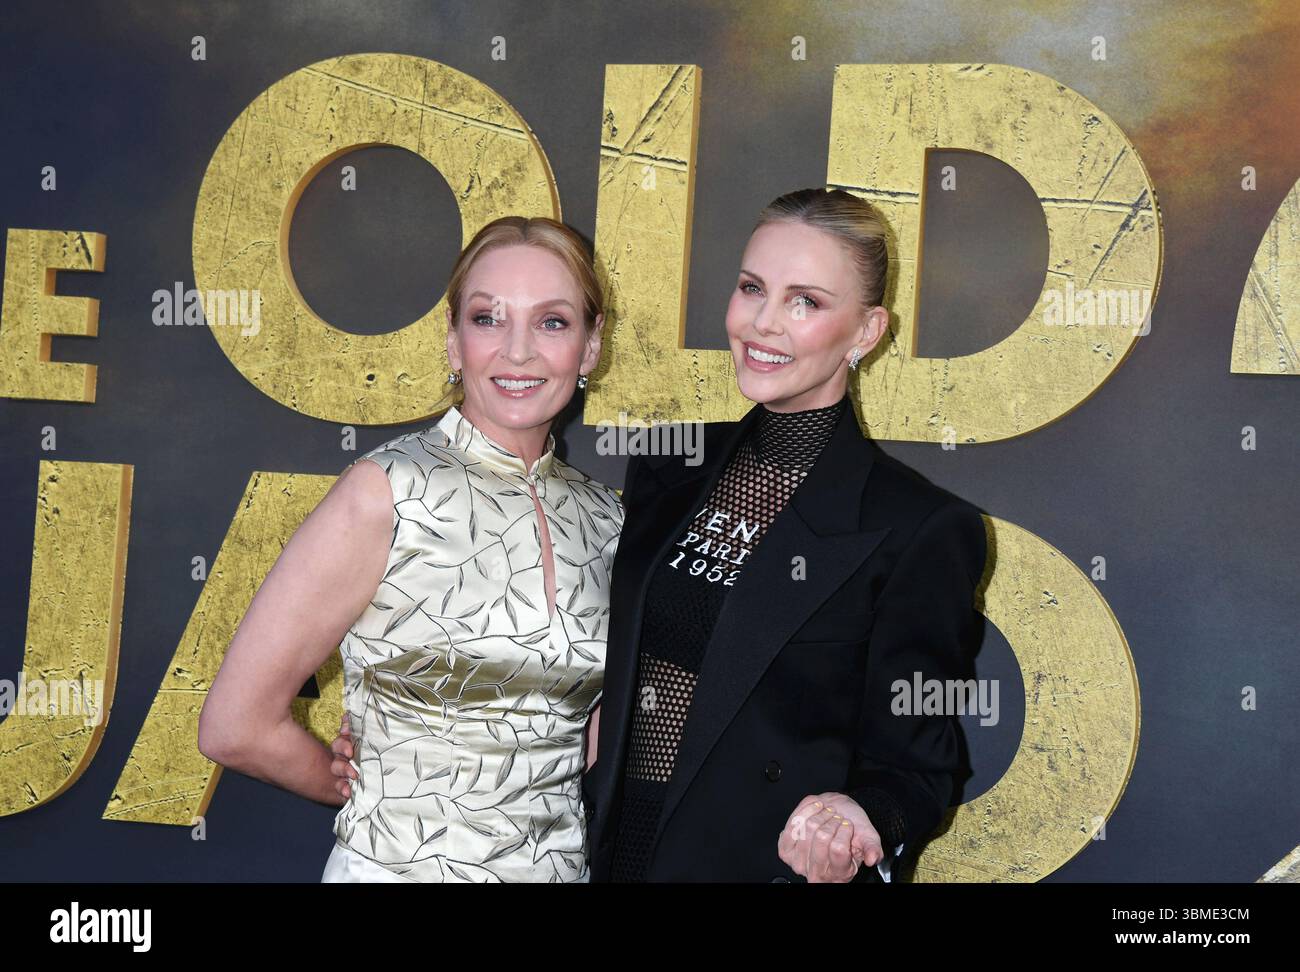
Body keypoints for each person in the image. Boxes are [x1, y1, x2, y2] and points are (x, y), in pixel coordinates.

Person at [198, 215, 624, 882]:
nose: (518, 352)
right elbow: (235, 725)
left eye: (552, 322)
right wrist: (375, 799)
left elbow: (589, 737)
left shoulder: (606, 519)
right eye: (488, 319)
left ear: (591, 347)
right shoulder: (387, 492)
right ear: (453, 342)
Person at [585, 187, 988, 883]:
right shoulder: (667, 462)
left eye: (806, 302)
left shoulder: (920, 527)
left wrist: (859, 814)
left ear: (866, 332)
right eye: (752, 289)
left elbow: (919, 769)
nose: (764, 324)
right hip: (613, 855)